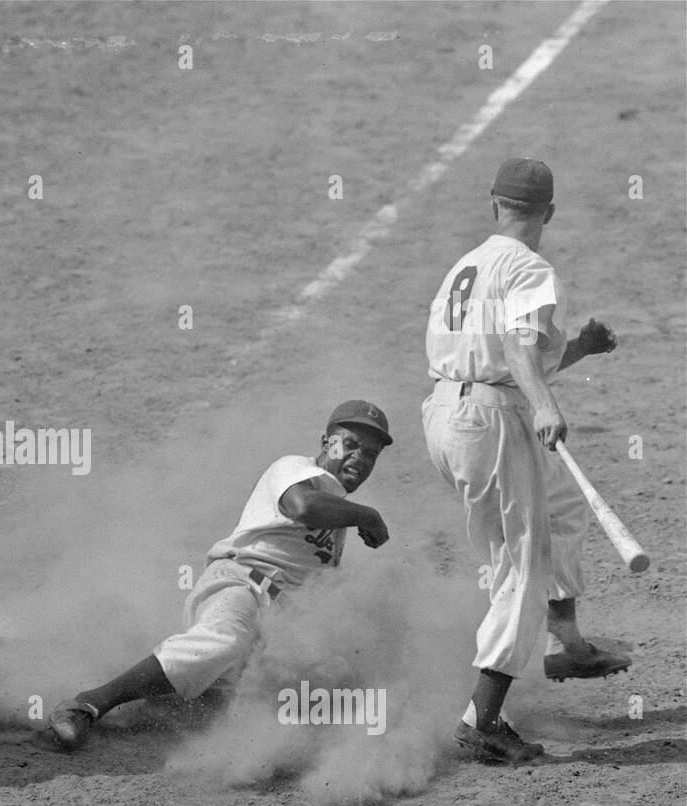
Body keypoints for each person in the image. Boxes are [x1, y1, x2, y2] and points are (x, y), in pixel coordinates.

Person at [422, 157, 626, 766]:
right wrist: (545, 404)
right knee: (522, 567)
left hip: (447, 415)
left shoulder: (468, 265)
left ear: (494, 205)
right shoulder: (531, 267)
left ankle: (566, 641)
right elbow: (515, 347)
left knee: (559, 504)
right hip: (491, 423)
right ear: (550, 213)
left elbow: (506, 361)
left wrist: (578, 349)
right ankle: (482, 721)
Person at [45, 401, 392, 751]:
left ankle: (176, 704)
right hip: (240, 585)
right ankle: (86, 705)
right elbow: (301, 506)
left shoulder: (338, 521)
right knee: (226, 639)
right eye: (349, 444)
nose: (360, 457)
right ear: (325, 442)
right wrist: (368, 516)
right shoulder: (294, 470)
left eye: (371, 453)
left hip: (276, 623)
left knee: (341, 683)